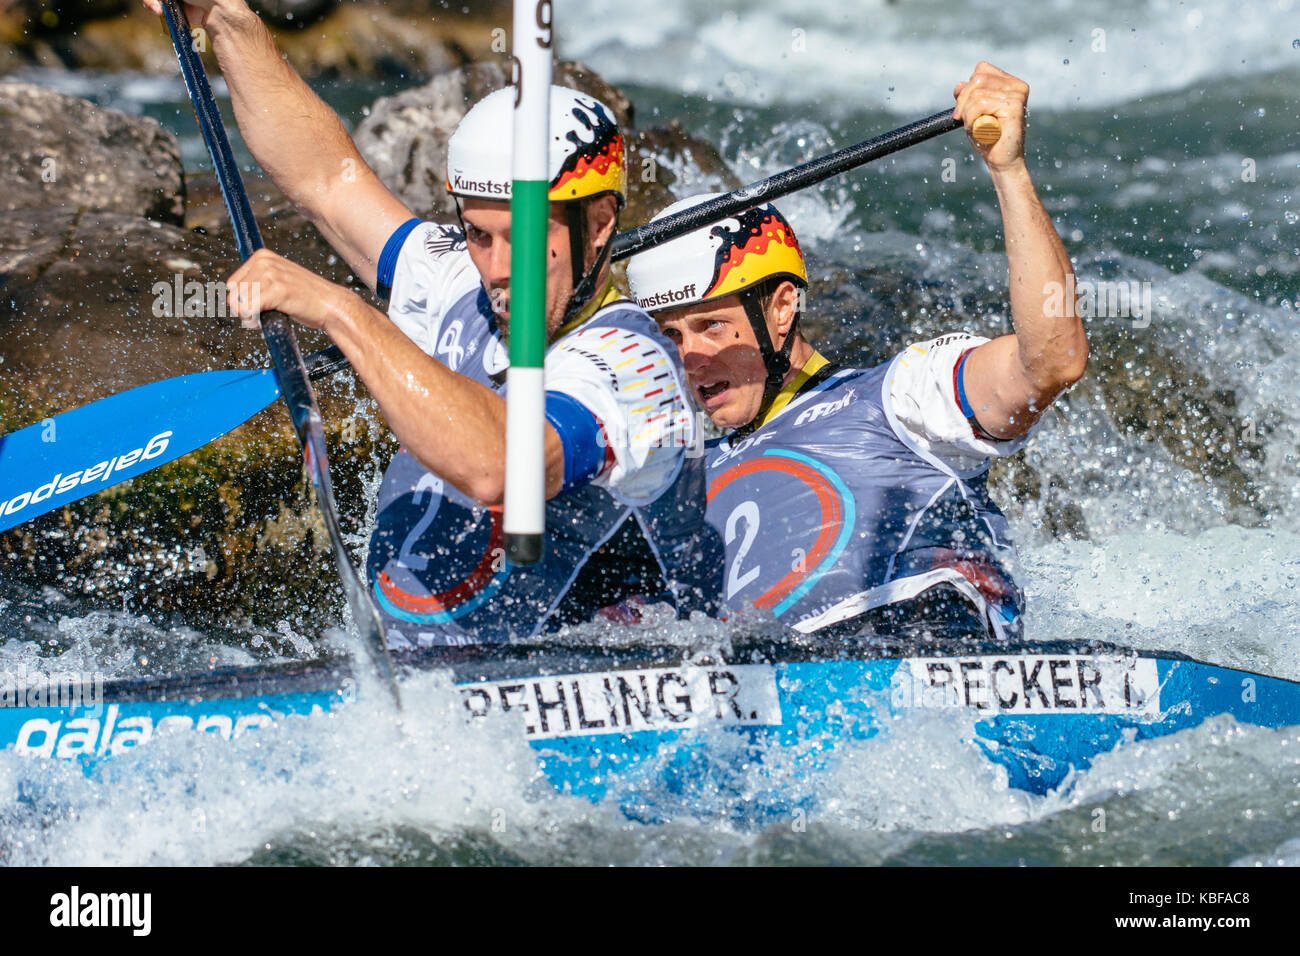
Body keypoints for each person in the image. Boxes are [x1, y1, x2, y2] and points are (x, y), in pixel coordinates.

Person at [142, 0, 721, 646]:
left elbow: (502, 466)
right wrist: (228, 20)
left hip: (585, 711)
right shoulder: (458, 278)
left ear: (600, 225)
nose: (499, 270)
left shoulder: (633, 365)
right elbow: (326, 178)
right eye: (478, 235)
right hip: (419, 696)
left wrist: (345, 311)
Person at [626, 63, 1086, 641]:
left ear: (781, 308)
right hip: (778, 700)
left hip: (925, 656)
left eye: (711, 326)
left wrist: (1008, 170)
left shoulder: (901, 397)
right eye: (670, 336)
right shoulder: (672, 486)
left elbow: (1052, 362)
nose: (690, 358)